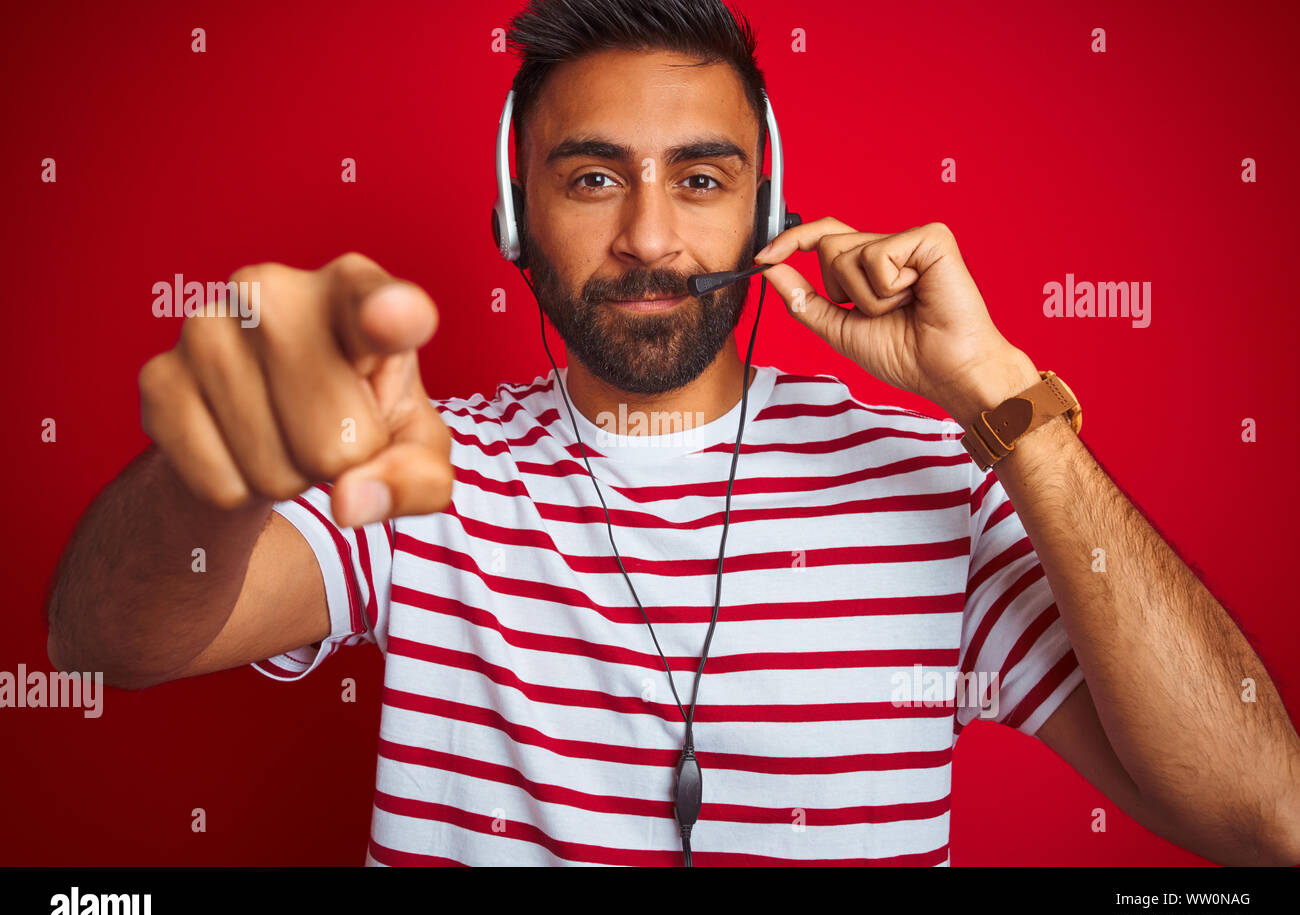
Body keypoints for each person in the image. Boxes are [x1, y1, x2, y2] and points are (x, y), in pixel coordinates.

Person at [46, 0, 1300, 866]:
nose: (651, 238)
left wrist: (1008, 409)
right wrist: (218, 473)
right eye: (593, 177)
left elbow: (1261, 818)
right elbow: (103, 644)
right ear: (510, 214)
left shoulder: (931, 476)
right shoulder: (411, 462)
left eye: (700, 179)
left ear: (768, 207)